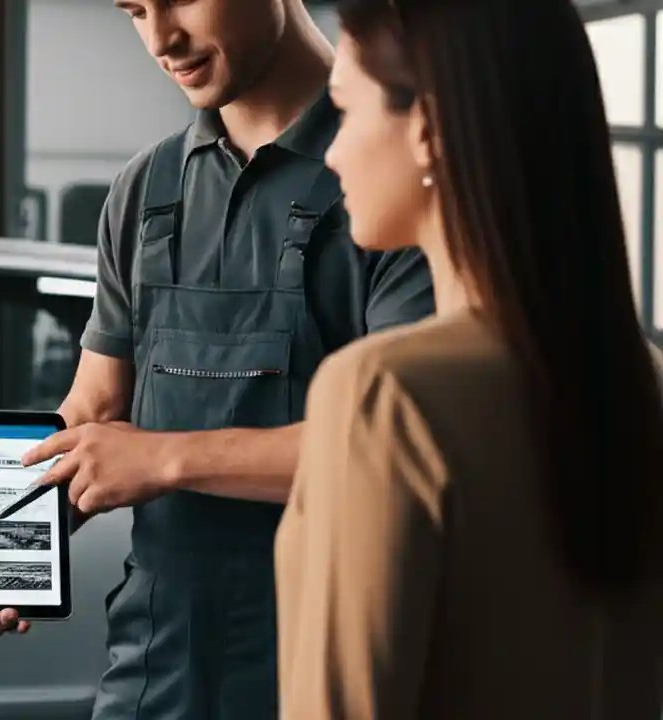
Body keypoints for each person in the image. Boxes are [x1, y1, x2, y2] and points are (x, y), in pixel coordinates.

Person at [0, 0, 435, 716]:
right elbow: (94, 409)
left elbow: (405, 448)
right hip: (159, 657)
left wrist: (163, 459)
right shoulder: (146, 188)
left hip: (336, 651)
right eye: (135, 10)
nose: (160, 39)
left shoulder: (393, 172)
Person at [273, 0, 663, 717]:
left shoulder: (385, 394)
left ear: (428, 130)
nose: (331, 153)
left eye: (346, 112)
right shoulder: (646, 382)